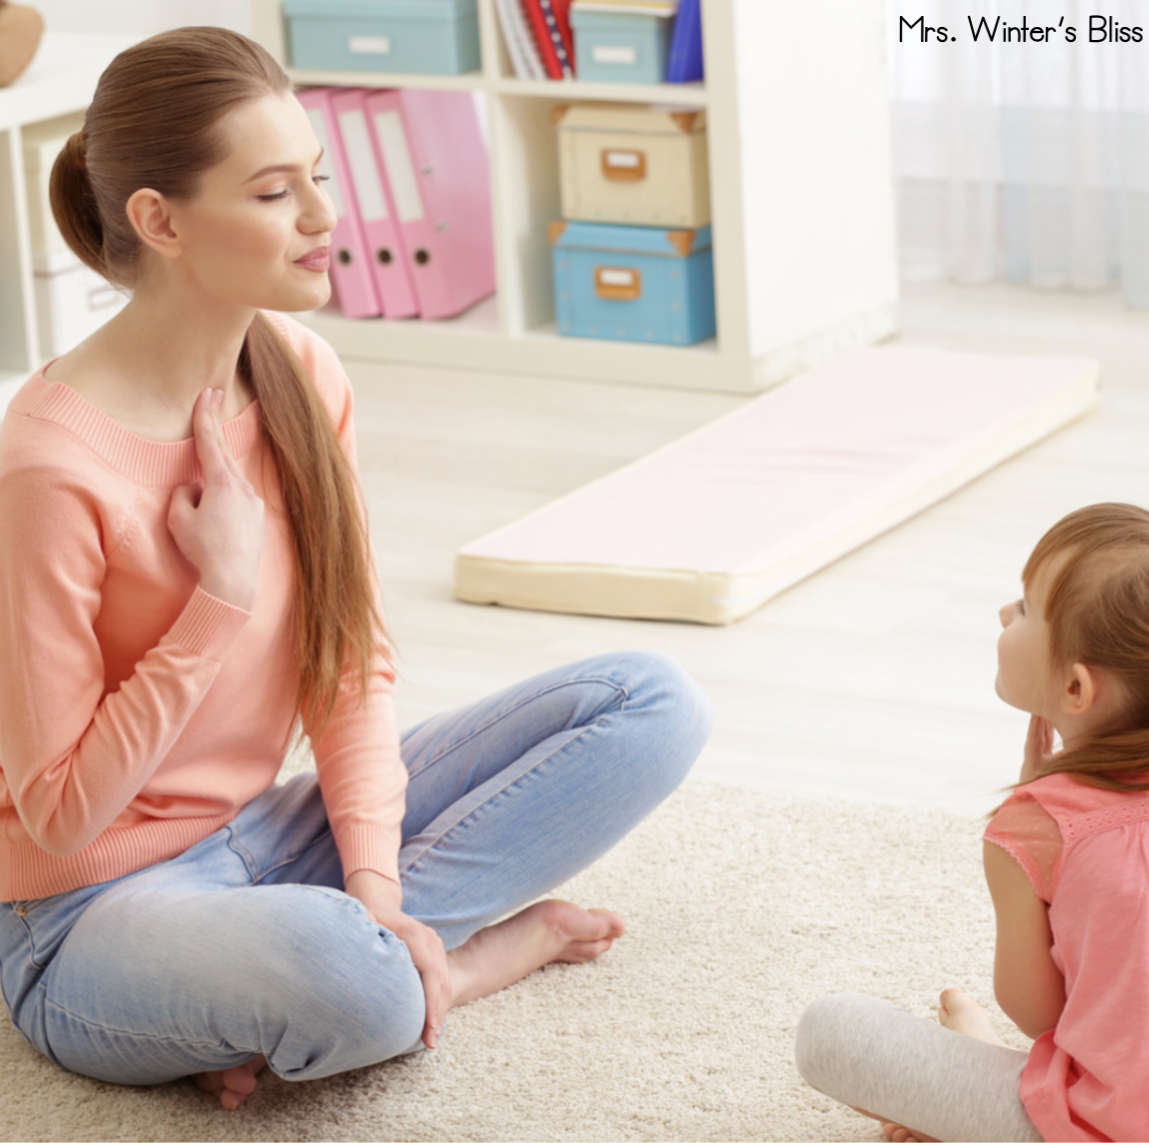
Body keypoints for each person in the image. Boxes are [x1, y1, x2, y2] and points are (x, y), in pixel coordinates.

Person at [0, 27, 712, 1112]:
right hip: (91, 909)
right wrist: (218, 599)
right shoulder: (49, 469)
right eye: (275, 192)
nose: (325, 217)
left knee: (651, 702)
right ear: (160, 220)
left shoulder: (301, 371)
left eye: (320, 177)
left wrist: (375, 884)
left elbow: (348, 665)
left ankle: (362, 950)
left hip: (268, 836)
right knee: (345, 978)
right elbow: (55, 814)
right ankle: (449, 966)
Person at [794, 503, 1149, 1143]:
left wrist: (1036, 817)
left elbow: (1040, 1014)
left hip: (1105, 1131)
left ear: (1076, 690)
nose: (1006, 613)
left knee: (832, 1032)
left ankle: (974, 1066)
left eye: (1028, 608)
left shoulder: (1036, 829)